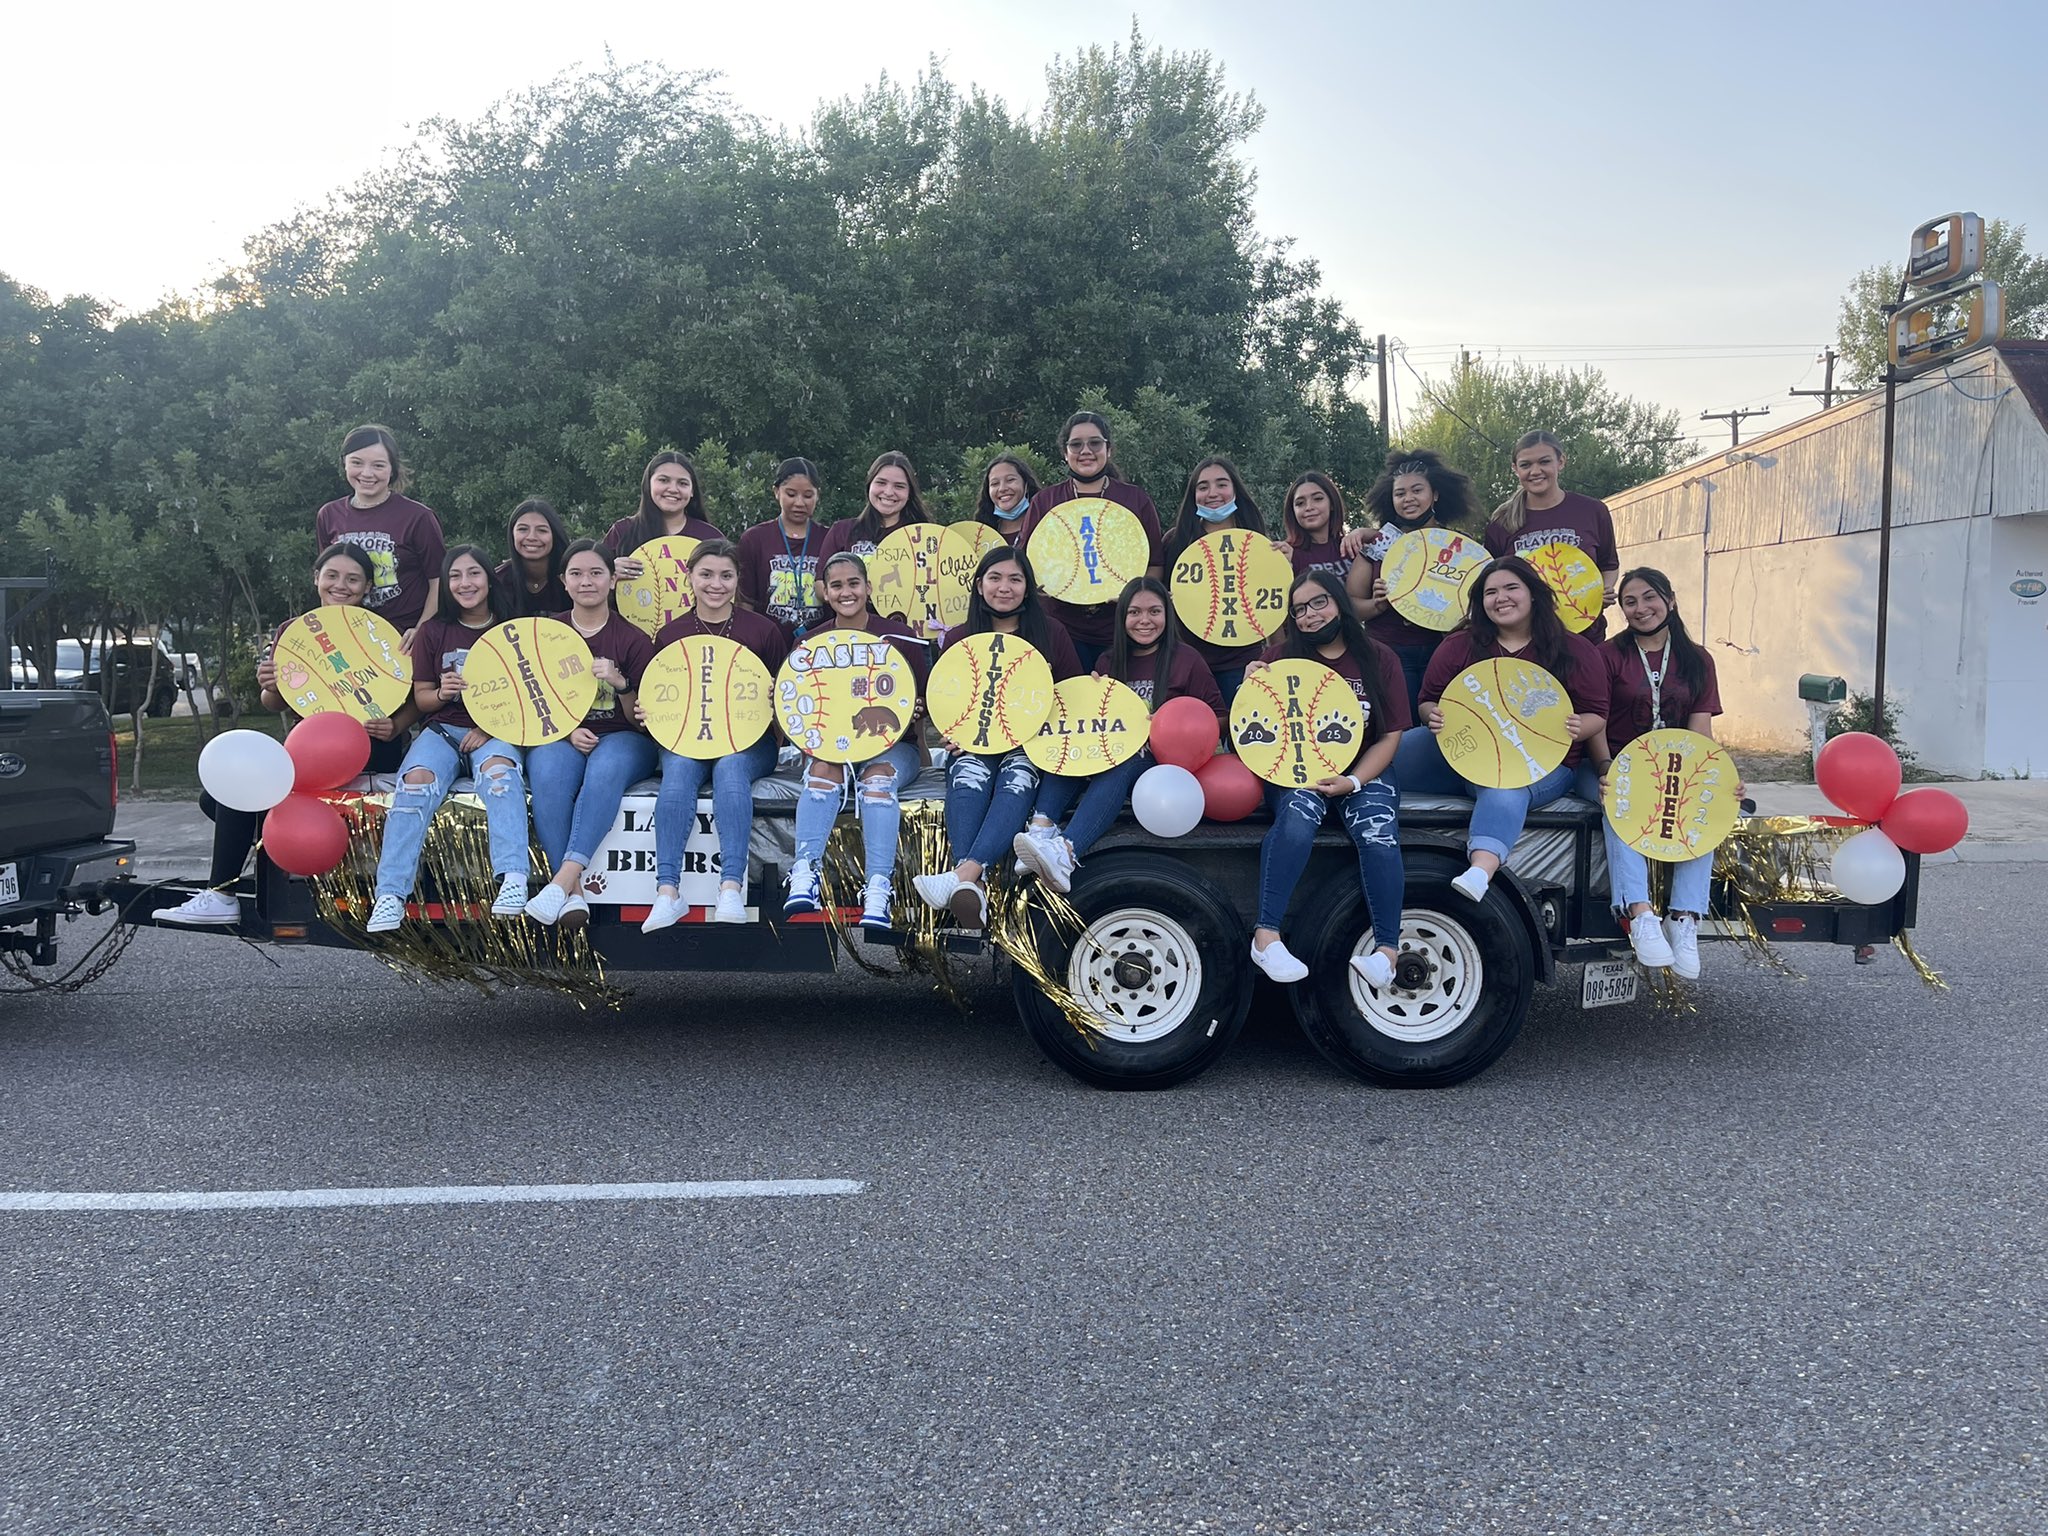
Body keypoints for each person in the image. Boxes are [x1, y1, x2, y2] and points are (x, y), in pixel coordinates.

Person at [161, 543, 419, 925]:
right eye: (332, 575)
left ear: (367, 587)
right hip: (311, 757)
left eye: (353, 579)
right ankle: (231, 887)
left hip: (373, 754)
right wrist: (269, 684)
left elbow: (414, 694)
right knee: (219, 797)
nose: (341, 586)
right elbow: (276, 702)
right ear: (316, 578)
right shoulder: (295, 632)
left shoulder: (385, 633)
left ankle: (222, 892)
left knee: (241, 798)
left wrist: (396, 725)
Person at [1394, 555, 1610, 904]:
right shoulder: (1459, 645)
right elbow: (1428, 700)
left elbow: (1597, 714)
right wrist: (1431, 714)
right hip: (1460, 752)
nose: (1501, 598)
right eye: (1490, 592)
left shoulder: (1573, 649)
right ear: (1481, 602)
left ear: (1534, 594)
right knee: (1386, 757)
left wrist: (1580, 725)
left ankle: (1481, 869)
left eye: (1512, 587)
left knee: (1503, 786)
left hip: (1540, 763)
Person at [1243, 570, 1411, 988]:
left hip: (1362, 767)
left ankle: (1387, 952)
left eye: (1319, 602)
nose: (1310, 615)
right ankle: (1266, 937)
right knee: (1297, 821)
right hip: (1298, 767)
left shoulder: (1379, 657)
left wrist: (1353, 782)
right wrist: (1251, 686)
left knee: (1379, 836)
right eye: (1299, 609)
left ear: (1340, 602)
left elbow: (1390, 737)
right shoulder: (1279, 659)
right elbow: (1253, 731)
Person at [1011, 576, 1224, 893]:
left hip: (1159, 763)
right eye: (1135, 612)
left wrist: (1171, 721)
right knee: (1072, 746)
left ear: (1167, 614)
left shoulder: (1186, 659)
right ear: (1122, 617)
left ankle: (1067, 852)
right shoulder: (1108, 661)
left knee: (1124, 760)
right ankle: (1042, 828)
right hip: (1113, 749)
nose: (1144, 621)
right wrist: (1089, 695)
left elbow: (1219, 716)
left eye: (1154, 611)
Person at [912, 547, 1083, 929]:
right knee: (969, 774)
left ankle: (964, 876)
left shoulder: (1051, 633)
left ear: (1028, 588)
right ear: (979, 585)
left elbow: (1072, 695)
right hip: (975, 740)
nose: (1004, 587)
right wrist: (951, 730)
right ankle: (974, 886)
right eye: (995, 578)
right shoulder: (959, 636)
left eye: (1015, 579)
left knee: (1017, 777)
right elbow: (946, 697)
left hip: (1030, 743)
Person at [365, 546, 533, 934]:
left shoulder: (512, 628)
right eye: (455, 576)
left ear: (489, 579)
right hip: (443, 729)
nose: (464, 583)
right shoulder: (434, 631)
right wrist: (442, 693)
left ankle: (513, 878)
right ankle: (390, 893)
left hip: (498, 729)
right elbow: (422, 697)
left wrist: (490, 728)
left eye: (474, 574)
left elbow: (528, 694)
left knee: (499, 776)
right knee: (415, 783)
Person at [1582, 568, 1736, 980]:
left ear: (1669, 599)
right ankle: (1640, 913)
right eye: (1630, 601)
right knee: (1619, 799)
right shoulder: (1607, 655)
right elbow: (1595, 720)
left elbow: (1700, 730)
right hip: (1614, 759)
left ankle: (1683, 918)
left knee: (1706, 807)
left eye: (1649, 597)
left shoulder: (1698, 659)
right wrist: (1604, 766)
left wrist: (1716, 777)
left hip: (1672, 765)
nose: (1640, 608)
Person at [639, 539, 789, 932]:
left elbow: (787, 697)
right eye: (706, 574)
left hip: (748, 743)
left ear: (738, 580)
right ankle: (668, 891)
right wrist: (648, 711)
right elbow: (662, 695)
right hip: (687, 739)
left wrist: (780, 694)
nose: (715, 584)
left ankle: (731, 886)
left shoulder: (763, 631)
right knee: (677, 777)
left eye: (726, 575)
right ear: (689, 577)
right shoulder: (670, 635)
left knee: (730, 768)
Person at [782, 553, 933, 925]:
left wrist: (919, 707)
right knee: (821, 772)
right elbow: (797, 709)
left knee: (877, 780)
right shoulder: (811, 644)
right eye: (836, 585)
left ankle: (879, 887)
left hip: (895, 747)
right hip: (834, 747)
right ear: (825, 592)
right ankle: (805, 872)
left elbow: (930, 699)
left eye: (853, 583)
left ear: (867, 587)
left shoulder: (900, 637)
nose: (846, 592)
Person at [522, 541, 657, 930]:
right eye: (577, 574)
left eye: (596, 573)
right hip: (562, 735)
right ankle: (574, 893)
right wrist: (564, 732)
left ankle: (562, 879)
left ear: (613, 580)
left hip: (622, 736)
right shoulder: (546, 633)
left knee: (604, 772)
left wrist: (620, 682)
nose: (587, 582)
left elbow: (641, 721)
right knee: (547, 774)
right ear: (563, 582)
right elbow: (530, 701)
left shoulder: (633, 639)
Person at [1017, 412, 1164, 669]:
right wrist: (1040, 583)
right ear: (1065, 452)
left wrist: (1133, 598)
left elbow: (1154, 565)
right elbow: (1026, 564)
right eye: (1076, 444)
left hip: (1120, 629)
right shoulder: (1045, 502)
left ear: (1109, 449)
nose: (1086, 451)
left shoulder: (1135, 500)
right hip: (1062, 628)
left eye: (1095, 443)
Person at [1354, 448, 1482, 714]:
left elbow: (1480, 604)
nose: (1408, 499)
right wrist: (1376, 605)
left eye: (1417, 490)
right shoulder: (1378, 543)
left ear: (1434, 493)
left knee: (1443, 726)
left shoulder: (1460, 547)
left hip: (1444, 653)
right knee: (1397, 730)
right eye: (1400, 493)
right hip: (1388, 652)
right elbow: (1351, 604)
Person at [1482, 429, 1621, 641]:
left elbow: (1608, 565)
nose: (1535, 471)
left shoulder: (1593, 510)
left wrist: (1600, 591)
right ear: (1515, 469)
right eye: (1526, 465)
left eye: (1544, 462)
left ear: (1561, 461)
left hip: (1584, 636)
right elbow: (1491, 582)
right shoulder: (1501, 523)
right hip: (1526, 639)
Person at [313, 424, 446, 642]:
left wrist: (421, 629)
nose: (367, 473)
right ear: (344, 463)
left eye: (378, 465)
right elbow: (327, 582)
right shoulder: (328, 515)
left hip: (403, 639)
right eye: (357, 463)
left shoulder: (419, 517)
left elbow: (438, 580)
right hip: (350, 637)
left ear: (392, 469)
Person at [1159, 456, 1274, 701]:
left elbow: (1272, 600)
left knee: (1240, 732)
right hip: (1189, 658)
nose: (1212, 493)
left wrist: (1284, 564)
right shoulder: (1175, 541)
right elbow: (1157, 597)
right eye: (1203, 487)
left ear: (1235, 490)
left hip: (1242, 658)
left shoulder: (1256, 541)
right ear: (1193, 495)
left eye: (1221, 484)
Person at [737, 457, 825, 633]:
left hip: (821, 645)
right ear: (776, 492)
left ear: (817, 495)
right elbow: (744, 601)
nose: (799, 503)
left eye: (808, 495)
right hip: (767, 642)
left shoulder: (829, 537)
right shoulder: (754, 539)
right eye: (791, 494)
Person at [601, 452, 723, 578]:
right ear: (649, 484)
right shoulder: (622, 532)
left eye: (683, 483)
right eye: (663, 480)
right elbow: (592, 584)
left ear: (692, 491)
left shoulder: (710, 537)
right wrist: (608, 571)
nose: (673, 489)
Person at [815, 451, 931, 569]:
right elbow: (822, 582)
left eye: (899, 486)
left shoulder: (925, 538)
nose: (888, 492)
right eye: (881, 483)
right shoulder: (841, 532)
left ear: (909, 492)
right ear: (869, 484)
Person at [494, 497, 570, 618]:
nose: (531, 537)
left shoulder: (574, 578)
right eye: (523, 529)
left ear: (555, 534)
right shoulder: (497, 582)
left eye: (542, 530)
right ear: (512, 534)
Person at [1280, 471, 1359, 580]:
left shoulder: (1350, 547)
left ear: (1332, 503)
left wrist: (1363, 533)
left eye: (1317, 499)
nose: (1309, 507)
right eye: (1300, 503)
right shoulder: (1287, 554)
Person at [973, 453, 1042, 547]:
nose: (1002, 488)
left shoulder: (1044, 526)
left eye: (1010, 480)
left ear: (1026, 485)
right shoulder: (979, 537)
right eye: (995, 483)